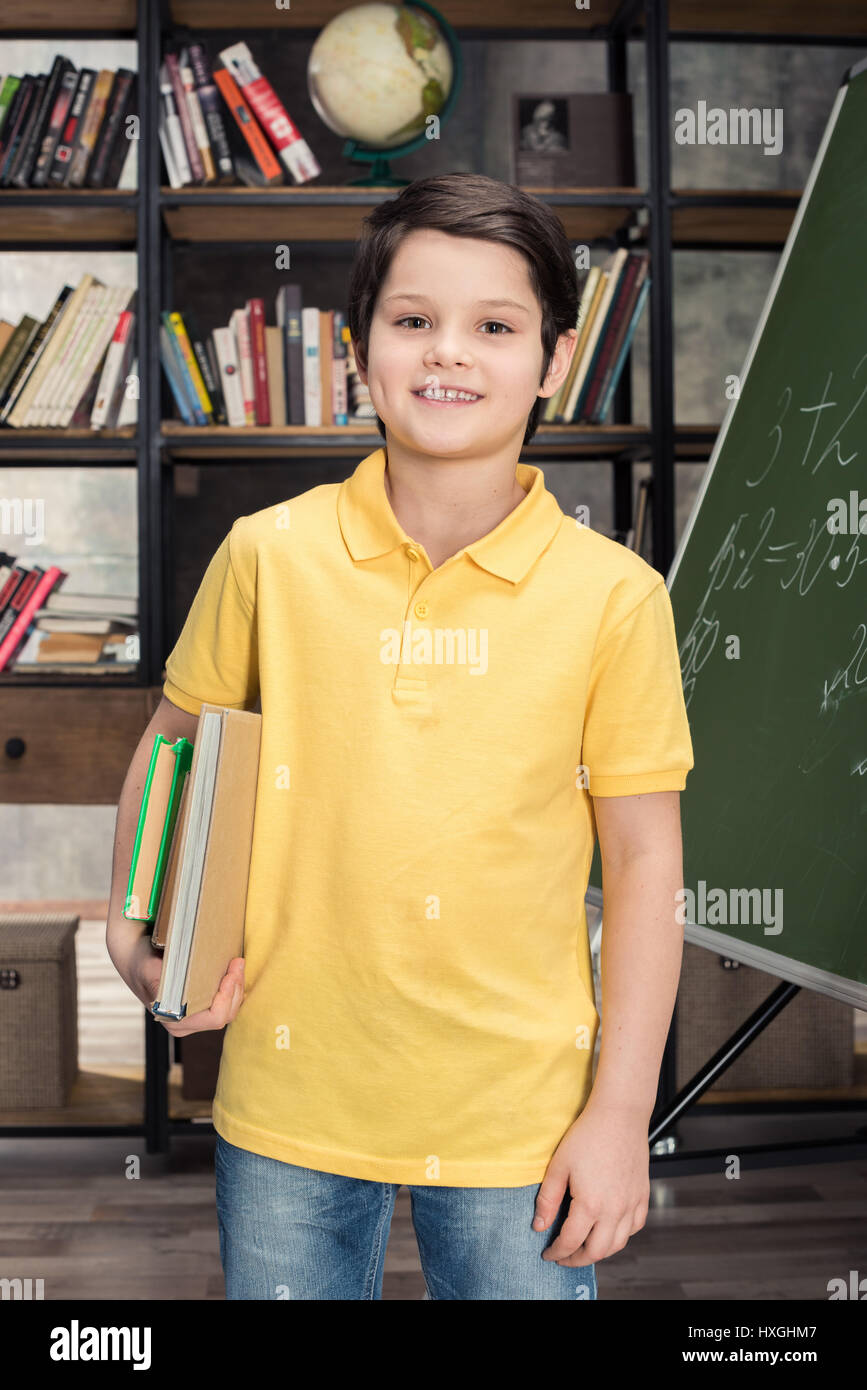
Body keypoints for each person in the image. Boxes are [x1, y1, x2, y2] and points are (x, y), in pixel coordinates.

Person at [106, 171, 694, 1300]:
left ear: (554, 362)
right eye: (414, 321)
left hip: (523, 1113)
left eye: (496, 326)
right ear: (359, 351)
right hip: (289, 1100)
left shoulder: (616, 599)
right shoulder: (267, 555)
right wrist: (136, 939)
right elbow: (168, 752)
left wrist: (623, 1113)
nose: (450, 355)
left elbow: (643, 859)